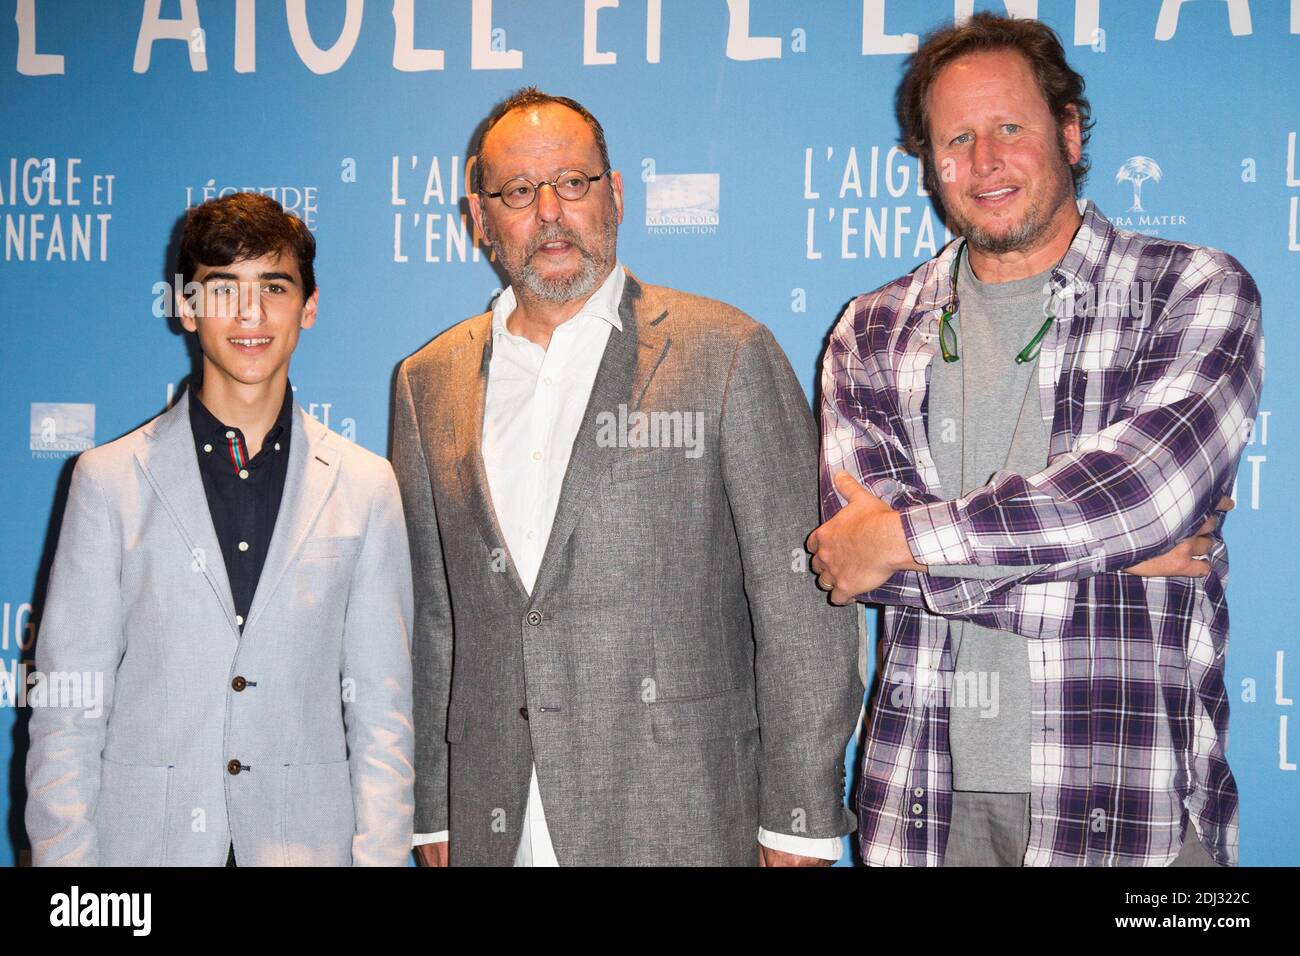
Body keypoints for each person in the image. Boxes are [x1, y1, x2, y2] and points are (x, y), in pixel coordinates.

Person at [809, 13, 1261, 867]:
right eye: (958, 139)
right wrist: (1108, 568)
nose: (984, 162)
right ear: (928, 161)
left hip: (1135, 807)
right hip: (924, 809)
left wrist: (902, 543)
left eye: (1010, 127)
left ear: (1069, 130)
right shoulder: (870, 331)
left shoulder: (1191, 291)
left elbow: (1140, 495)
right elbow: (850, 556)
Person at [393, 88, 861, 866]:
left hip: (681, 811)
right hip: (495, 816)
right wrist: (435, 810)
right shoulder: (426, 382)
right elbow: (436, 619)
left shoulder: (726, 354)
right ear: (480, 218)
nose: (549, 211)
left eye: (573, 183)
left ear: (615, 197)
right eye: (518, 191)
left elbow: (799, 602)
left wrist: (799, 818)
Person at [26, 193, 415, 866]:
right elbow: (68, 713)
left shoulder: (365, 485)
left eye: (273, 286)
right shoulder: (107, 481)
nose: (249, 314)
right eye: (222, 288)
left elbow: (384, 717)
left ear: (309, 307)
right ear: (185, 306)